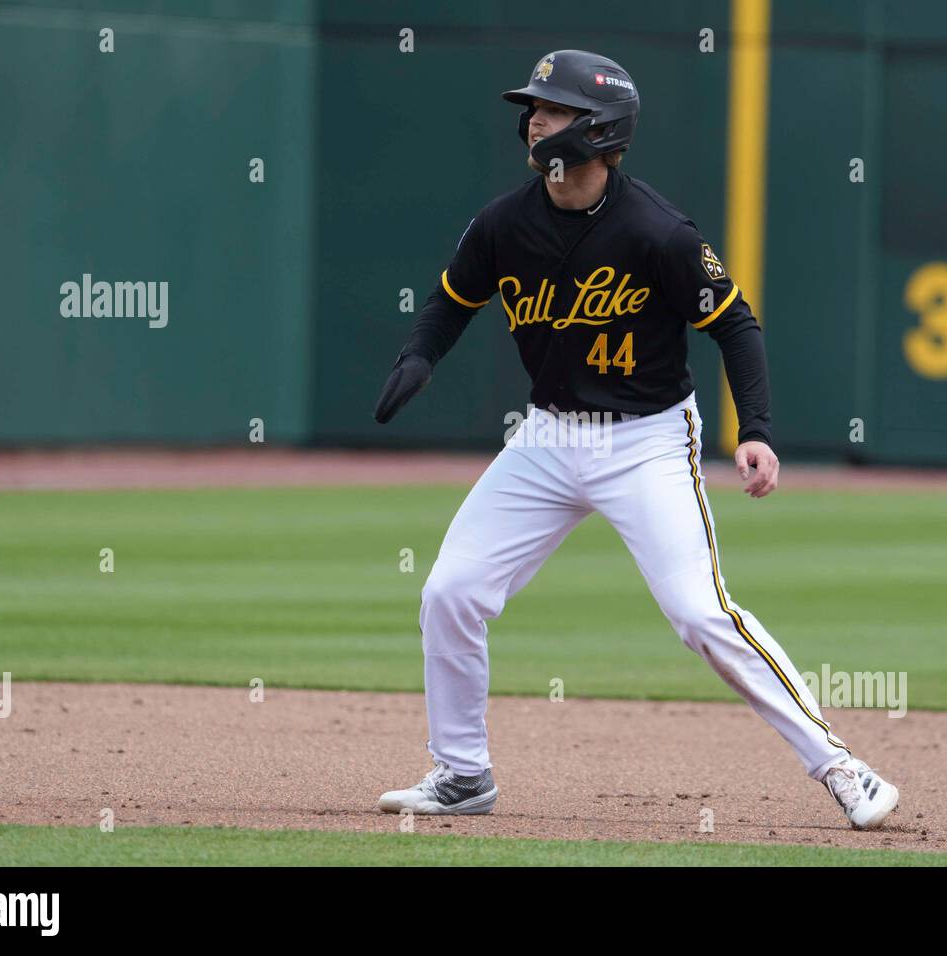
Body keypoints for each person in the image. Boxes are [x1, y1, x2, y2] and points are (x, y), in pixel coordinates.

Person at [371, 50, 899, 829]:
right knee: (450, 591)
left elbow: (737, 327)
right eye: (534, 108)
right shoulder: (502, 225)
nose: (534, 121)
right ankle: (462, 775)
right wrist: (419, 356)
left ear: (598, 128)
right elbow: (453, 303)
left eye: (552, 110)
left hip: (648, 442)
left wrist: (755, 432)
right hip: (547, 438)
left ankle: (843, 767)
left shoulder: (660, 233)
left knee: (698, 612)